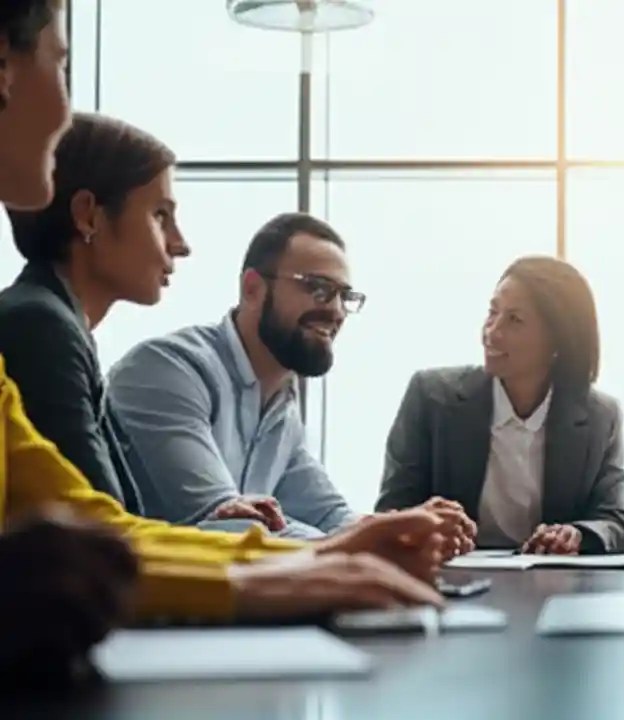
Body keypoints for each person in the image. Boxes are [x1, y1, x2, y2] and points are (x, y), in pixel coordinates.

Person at [0, 2, 461, 672]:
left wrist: (326, 554)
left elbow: (94, 529)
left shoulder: (50, 334)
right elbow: (94, 543)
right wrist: (290, 568)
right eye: (63, 64)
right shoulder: (52, 329)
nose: (181, 245)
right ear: (4, 71)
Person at [0, 112, 283, 534]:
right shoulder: (41, 328)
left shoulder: (56, 324)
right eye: (160, 215)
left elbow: (112, 522)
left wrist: (209, 528)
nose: (180, 244)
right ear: (89, 216)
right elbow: (97, 539)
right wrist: (319, 558)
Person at [106, 212, 385, 539]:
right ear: (252, 288)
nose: (336, 311)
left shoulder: (281, 404)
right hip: (151, 586)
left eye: (344, 296)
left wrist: (406, 533)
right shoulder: (166, 370)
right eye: (318, 288)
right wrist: (361, 548)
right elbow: (223, 525)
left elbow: (330, 515)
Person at [377, 256, 624, 554]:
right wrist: (427, 523)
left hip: (553, 584)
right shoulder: (432, 397)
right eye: (492, 312)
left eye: (515, 320)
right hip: (453, 581)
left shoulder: (600, 416)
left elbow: (616, 521)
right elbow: (392, 511)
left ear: (558, 339)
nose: (492, 331)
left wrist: (576, 534)